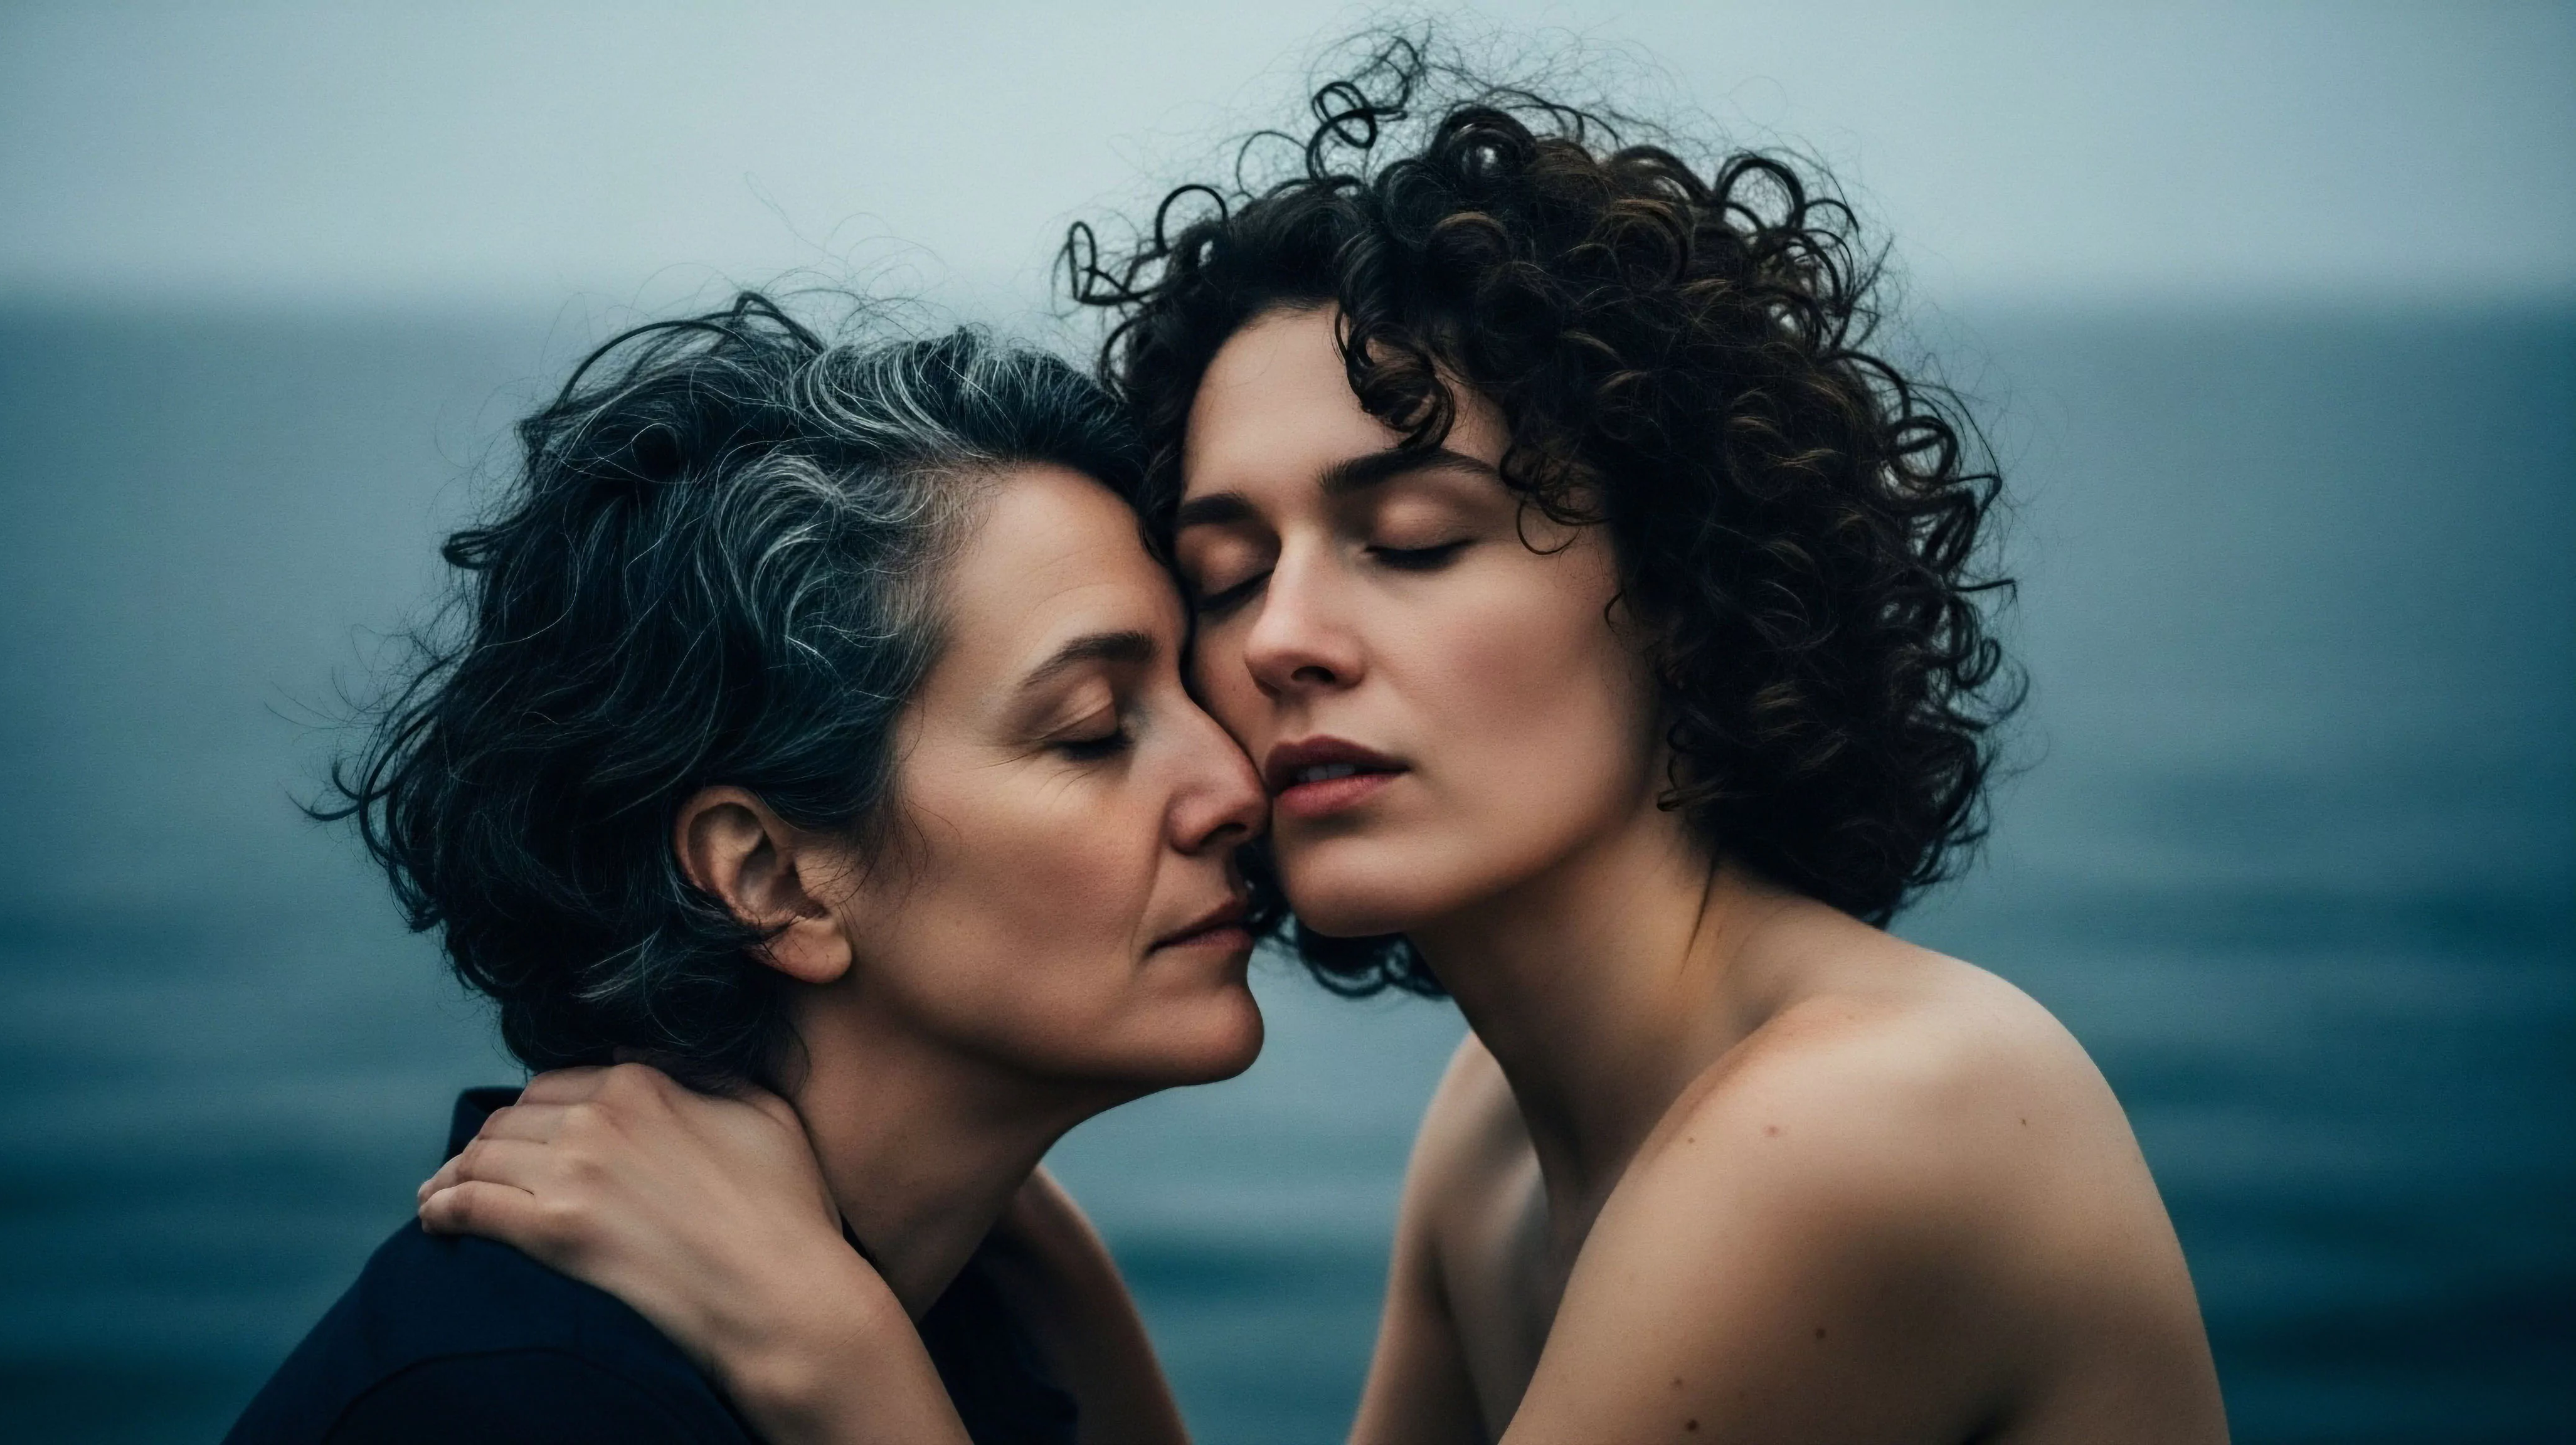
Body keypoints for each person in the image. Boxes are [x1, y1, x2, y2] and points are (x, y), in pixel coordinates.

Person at [426, 41, 2229, 1444]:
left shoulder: (1849, 1129)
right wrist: (1023, 1255)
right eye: (1223, 571)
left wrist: (834, 1362)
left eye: (1415, 540)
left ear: (1683, 582)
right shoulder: (1503, 1137)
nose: (1279, 640)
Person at [226, 295, 1261, 1445]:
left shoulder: (955, 1312)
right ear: (770, 877)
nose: (1237, 786)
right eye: (1091, 727)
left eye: (1197, 694)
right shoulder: (518, 1409)